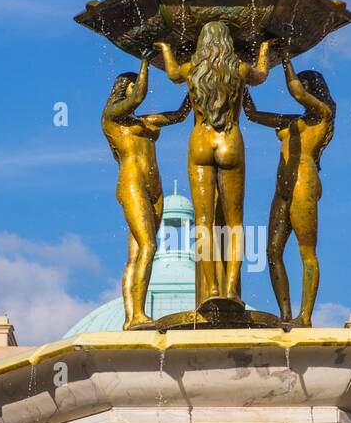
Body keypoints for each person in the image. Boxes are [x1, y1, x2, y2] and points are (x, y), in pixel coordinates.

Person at [156, 24, 272, 304]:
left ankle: (211, 290)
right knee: (234, 223)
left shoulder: (191, 69)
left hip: (200, 141)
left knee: (204, 222)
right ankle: (232, 289)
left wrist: (163, 47)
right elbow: (262, 75)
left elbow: (171, 73)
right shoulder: (240, 69)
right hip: (229, 140)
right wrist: (266, 49)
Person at [242, 59, 336, 327]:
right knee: (272, 251)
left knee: (306, 252)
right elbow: (251, 113)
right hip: (282, 187)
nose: (302, 93)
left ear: (315, 91)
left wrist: (285, 59)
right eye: (302, 86)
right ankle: (285, 315)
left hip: (303, 181)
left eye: (307, 87)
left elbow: (295, 91)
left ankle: (304, 316)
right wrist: (239, 81)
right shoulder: (295, 121)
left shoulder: (323, 115)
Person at [101, 57, 190, 329]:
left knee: (139, 250)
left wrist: (195, 84)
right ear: (122, 90)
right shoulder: (112, 120)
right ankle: (135, 315)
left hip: (155, 188)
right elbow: (139, 95)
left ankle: (134, 314)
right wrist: (145, 61)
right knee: (149, 246)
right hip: (132, 183)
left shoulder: (144, 122)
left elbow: (179, 115)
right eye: (131, 87)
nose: (136, 91)